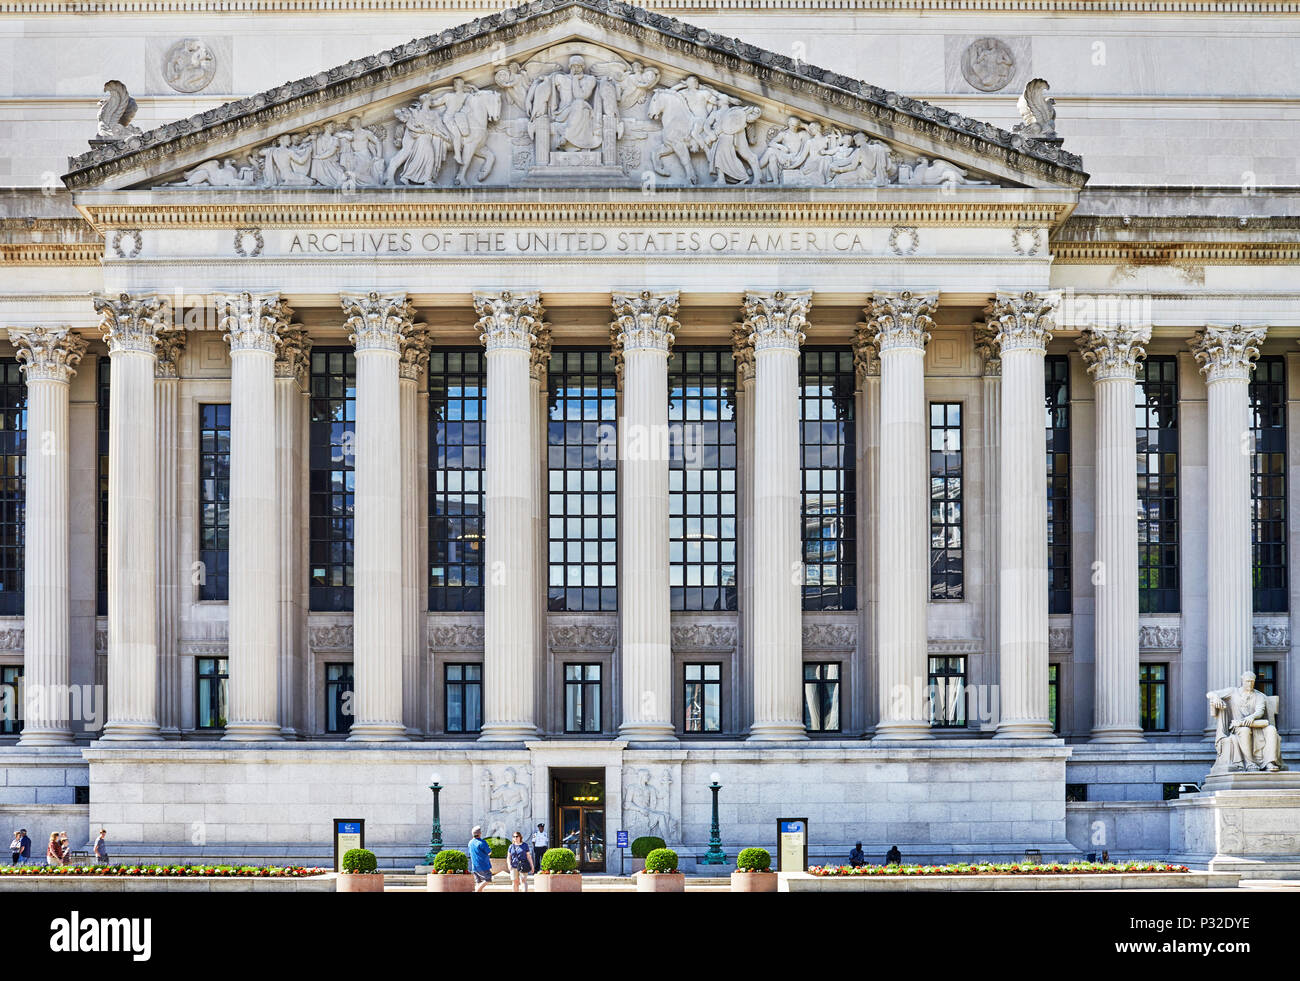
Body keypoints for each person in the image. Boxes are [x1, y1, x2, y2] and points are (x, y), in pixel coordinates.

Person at [467, 825, 492, 892]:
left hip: (474, 866)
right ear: (480, 833)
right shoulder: (482, 842)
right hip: (483, 865)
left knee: (478, 882)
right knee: (488, 879)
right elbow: (489, 852)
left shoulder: (470, 842)